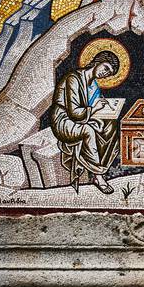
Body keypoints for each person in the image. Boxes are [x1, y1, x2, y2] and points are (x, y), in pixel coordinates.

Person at [49, 50, 120, 194]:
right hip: (64, 120)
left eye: (109, 73)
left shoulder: (93, 84)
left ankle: (101, 165)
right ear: (98, 61)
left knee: (110, 125)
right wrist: (95, 107)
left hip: (82, 118)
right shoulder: (73, 79)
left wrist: (104, 106)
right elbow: (74, 113)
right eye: (105, 68)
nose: (105, 74)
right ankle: (98, 176)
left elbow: (93, 105)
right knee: (88, 131)